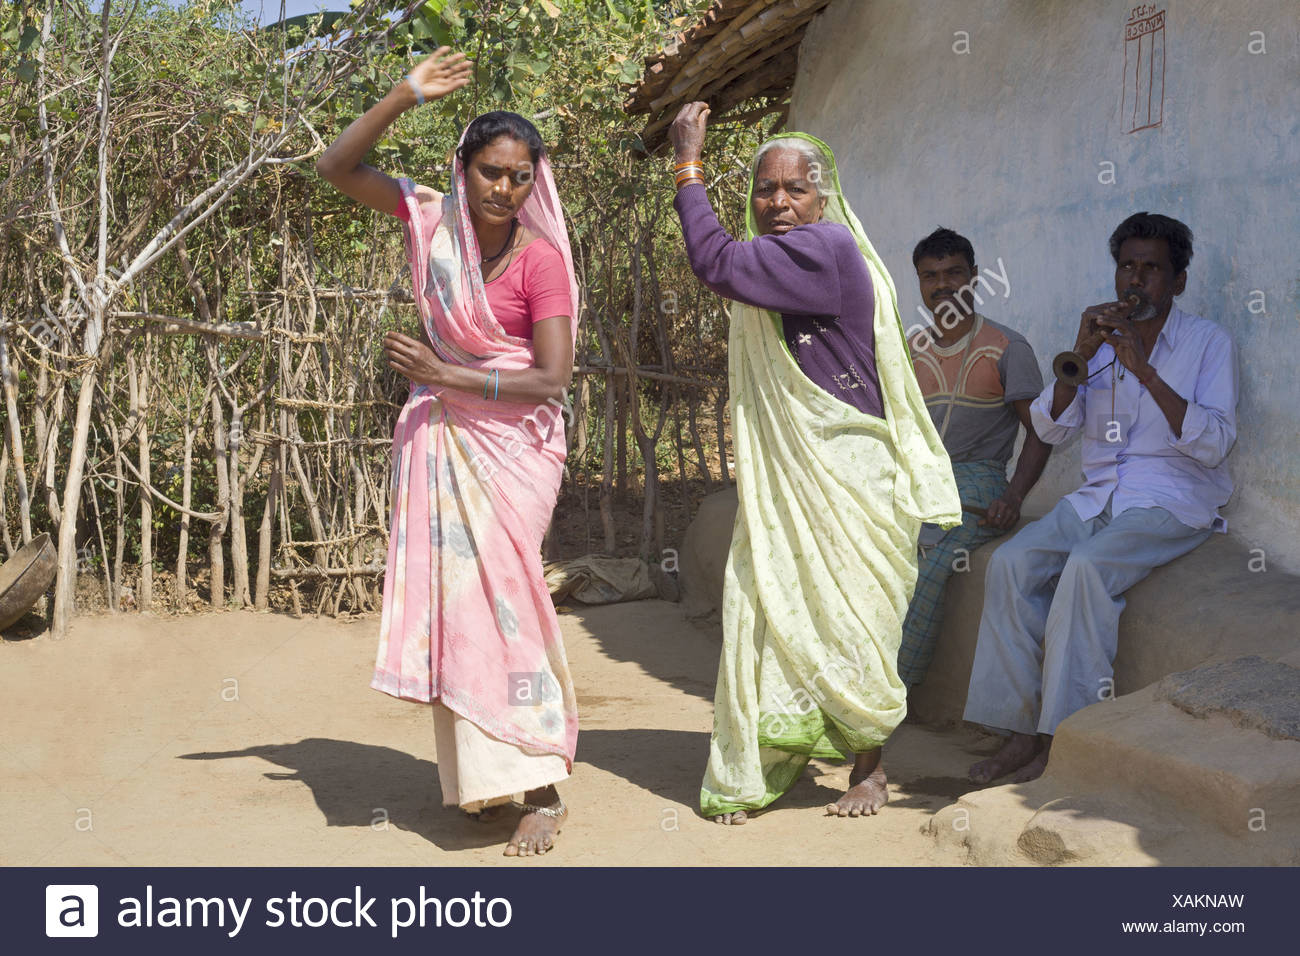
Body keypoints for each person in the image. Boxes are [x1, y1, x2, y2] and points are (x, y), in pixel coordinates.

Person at [316, 48, 580, 856]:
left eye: (521, 177)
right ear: (461, 169)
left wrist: (447, 374)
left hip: (514, 447)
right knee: (463, 609)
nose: (506, 189)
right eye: (492, 172)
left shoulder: (542, 262)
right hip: (446, 440)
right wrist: (405, 93)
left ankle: (542, 782)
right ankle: (486, 779)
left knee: (510, 602)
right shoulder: (427, 219)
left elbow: (550, 378)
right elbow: (335, 166)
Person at [668, 102, 961, 824]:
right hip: (800, 472)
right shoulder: (788, 257)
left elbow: (714, 260)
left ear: (823, 197)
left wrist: (687, 164)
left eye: (794, 189)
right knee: (774, 608)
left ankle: (870, 768)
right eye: (765, 190)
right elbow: (729, 264)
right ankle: (764, 762)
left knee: (854, 615)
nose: (778, 203)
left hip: (852, 468)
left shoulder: (824, 248)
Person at [965, 212, 1237, 784]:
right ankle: (1018, 730)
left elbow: (1213, 444)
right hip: (1097, 497)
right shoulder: (1101, 338)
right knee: (1012, 563)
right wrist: (1076, 362)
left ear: (1178, 282)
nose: (1136, 281)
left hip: (1174, 497)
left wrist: (1147, 372)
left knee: (1087, 569)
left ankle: (1061, 737)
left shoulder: (1209, 342)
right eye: (1126, 267)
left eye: (1152, 270)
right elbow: (1051, 430)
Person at [898, 228, 1051, 690]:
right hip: (915, 479)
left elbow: (1041, 432)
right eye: (930, 276)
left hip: (977, 481)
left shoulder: (1008, 348)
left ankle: (890, 700)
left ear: (975, 278)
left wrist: (1013, 495)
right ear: (920, 283)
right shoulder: (911, 349)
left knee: (932, 563)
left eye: (953, 273)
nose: (942, 284)